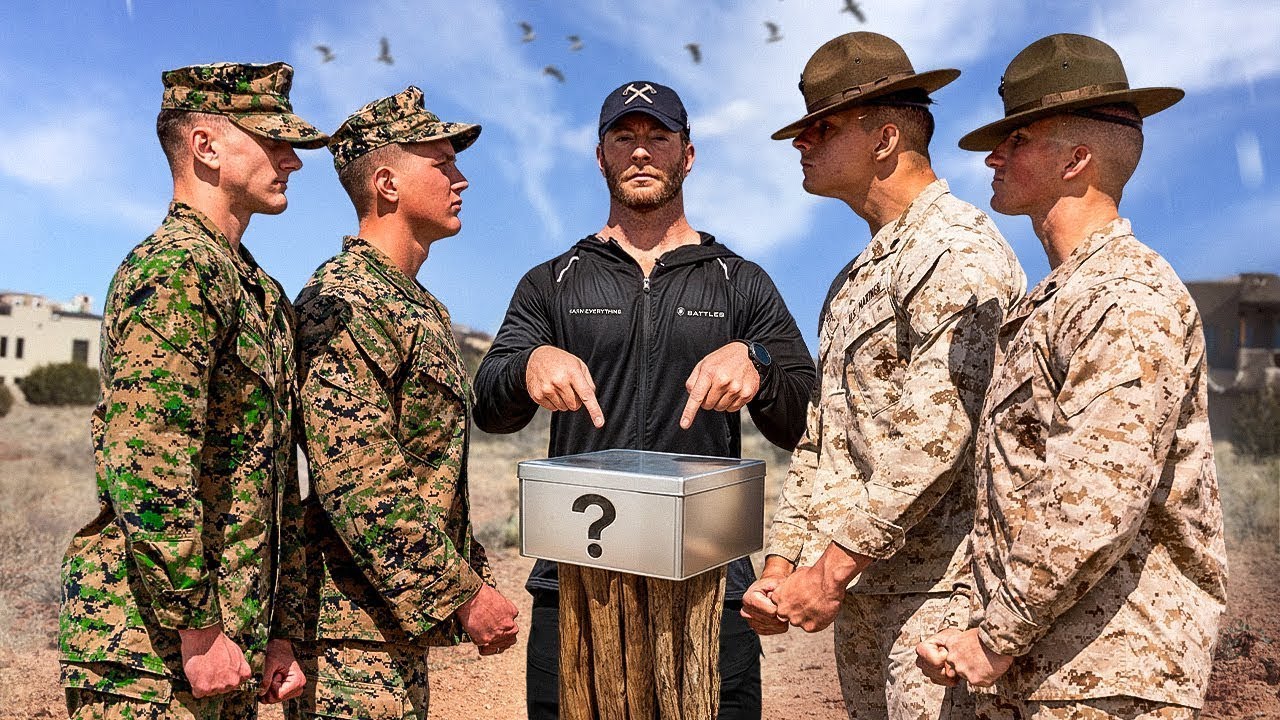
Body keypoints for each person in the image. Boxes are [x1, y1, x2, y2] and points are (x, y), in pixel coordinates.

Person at [473, 80, 816, 719]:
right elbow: (490, 407)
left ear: (688, 155)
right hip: (574, 583)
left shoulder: (740, 282)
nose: (640, 152)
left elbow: (808, 418)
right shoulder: (552, 281)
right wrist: (529, 364)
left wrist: (760, 364)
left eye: (658, 136)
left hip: (712, 584)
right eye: (623, 137)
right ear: (599, 155)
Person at [915, 34, 1228, 720]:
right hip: (1045, 671)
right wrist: (977, 620)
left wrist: (995, 634)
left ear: (1077, 159)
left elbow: (1095, 498)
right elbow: (1015, 494)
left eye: (1016, 139)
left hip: (1109, 673)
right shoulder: (1059, 297)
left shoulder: (1125, 293)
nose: (993, 157)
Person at [741, 32, 1026, 720]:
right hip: (871, 592)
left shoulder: (953, 248)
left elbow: (935, 438)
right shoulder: (858, 275)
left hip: (944, 597)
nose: (800, 143)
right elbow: (823, 440)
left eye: (821, 127)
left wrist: (830, 568)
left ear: (884, 138)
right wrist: (783, 565)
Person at [58, 62, 327, 718]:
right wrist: (196, 626)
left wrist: (279, 632)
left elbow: (274, 483)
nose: (291, 160)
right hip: (152, 653)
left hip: (220, 643)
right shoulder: (177, 268)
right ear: (205, 146)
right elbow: (146, 461)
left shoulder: (256, 289)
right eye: (273, 140)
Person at [289, 87, 520, 719]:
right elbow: (357, 478)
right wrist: (462, 596)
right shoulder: (345, 300)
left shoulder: (413, 304)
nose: (462, 179)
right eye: (442, 164)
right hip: (346, 638)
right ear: (387, 183)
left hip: (385, 627)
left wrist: (468, 574)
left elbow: (428, 467)